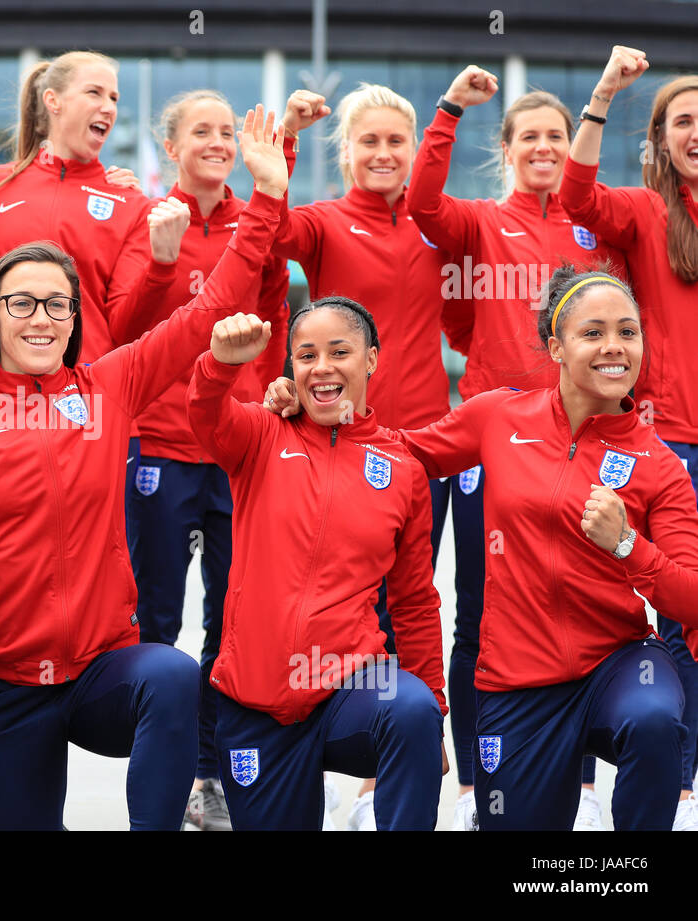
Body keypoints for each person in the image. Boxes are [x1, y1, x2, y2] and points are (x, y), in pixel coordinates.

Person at [0, 106, 288, 830]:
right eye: (21, 303)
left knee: (172, 671)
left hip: (101, 673)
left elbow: (209, 311)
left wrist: (265, 199)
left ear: (76, 318)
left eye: (57, 304)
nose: (41, 318)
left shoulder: (111, 386)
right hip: (6, 679)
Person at [266, 266, 698, 830]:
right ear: (556, 347)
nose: (613, 347)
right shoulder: (500, 416)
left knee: (654, 720)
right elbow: (398, 455)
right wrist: (310, 410)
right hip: (515, 680)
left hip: (616, 667)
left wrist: (627, 545)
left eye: (628, 331)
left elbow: (688, 598)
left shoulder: (659, 466)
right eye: (592, 333)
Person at [406, 65, 630, 829]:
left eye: (556, 137)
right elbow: (422, 203)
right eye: (529, 135)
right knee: (479, 612)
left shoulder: (591, 231)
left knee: (593, 608)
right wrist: (447, 112)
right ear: (505, 148)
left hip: (586, 446)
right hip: (496, 449)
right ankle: (475, 783)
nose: (543, 146)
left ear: (573, 150)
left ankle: (588, 779)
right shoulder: (477, 224)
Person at [275, 83, 467, 828]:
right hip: (336, 449)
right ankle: (331, 759)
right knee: (349, 609)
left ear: (415, 149)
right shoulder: (322, 223)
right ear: (346, 151)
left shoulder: (433, 228)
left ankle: (391, 775)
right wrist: (286, 138)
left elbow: (468, 317)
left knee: (414, 604)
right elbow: (267, 236)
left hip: (421, 452)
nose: (384, 153)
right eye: (369, 142)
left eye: (397, 141)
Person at [187, 303, 447, 830]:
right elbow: (205, 414)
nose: (321, 367)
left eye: (339, 352)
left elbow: (416, 602)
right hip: (254, 702)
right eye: (306, 355)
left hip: (347, 694)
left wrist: (435, 714)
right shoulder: (260, 435)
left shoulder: (403, 470)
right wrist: (220, 363)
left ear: (371, 359)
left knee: (412, 711)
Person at [106, 88, 291, 831]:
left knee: (234, 615)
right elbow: (121, 330)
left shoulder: (259, 223)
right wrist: (157, 261)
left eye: (227, 132)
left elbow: (274, 315)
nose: (217, 141)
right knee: (157, 615)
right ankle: (159, 771)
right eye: (201, 131)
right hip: (159, 445)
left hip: (237, 443)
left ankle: (209, 774)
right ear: (171, 146)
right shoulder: (147, 219)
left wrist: (274, 387)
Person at [561, 45, 698, 829]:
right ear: (663, 139)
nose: (695, 131)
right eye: (683, 121)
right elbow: (578, 192)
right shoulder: (648, 213)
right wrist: (605, 93)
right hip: (669, 445)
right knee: (673, 618)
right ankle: (672, 784)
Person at [0, 50, 152, 365]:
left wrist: (164, 265)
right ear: (53, 100)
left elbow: (127, 324)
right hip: (1, 390)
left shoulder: (130, 202)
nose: (109, 107)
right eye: (95, 93)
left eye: (114, 98)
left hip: (89, 391)